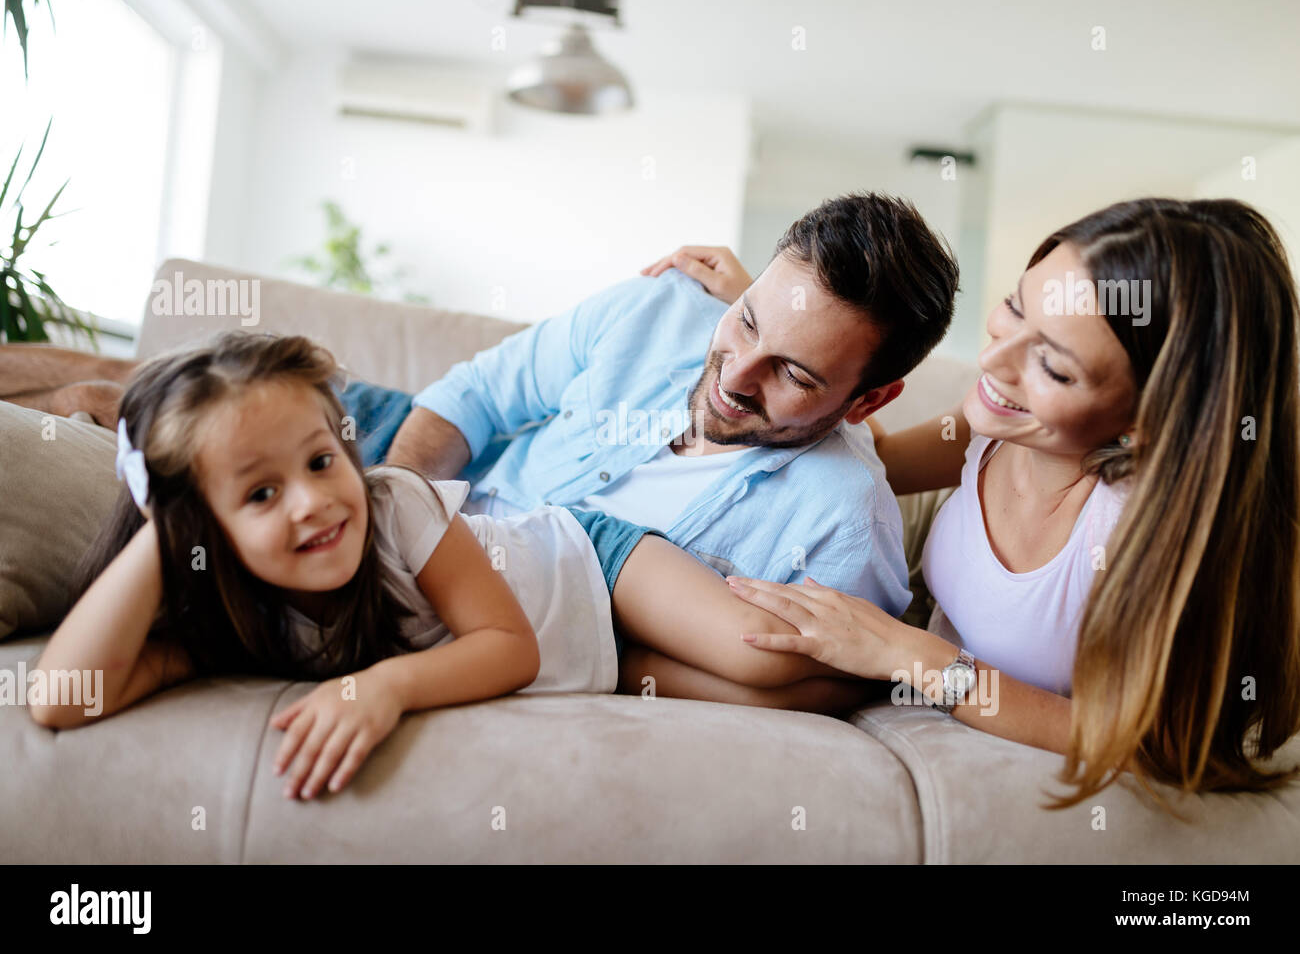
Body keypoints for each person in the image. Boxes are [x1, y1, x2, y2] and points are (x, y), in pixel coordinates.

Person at [6, 192, 962, 709]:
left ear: (870, 398)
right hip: (401, 469)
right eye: (746, 319)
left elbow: (836, 675)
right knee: (110, 393)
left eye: (792, 374)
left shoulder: (841, 516)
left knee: (759, 663)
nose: (735, 374)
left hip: (542, 556)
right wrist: (372, 510)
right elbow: (474, 395)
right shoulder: (665, 308)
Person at [27, 332, 889, 803]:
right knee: (802, 702)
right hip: (595, 664)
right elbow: (61, 698)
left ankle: (898, 653)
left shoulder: (395, 503)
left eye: (322, 461)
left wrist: (385, 688)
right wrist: (160, 530)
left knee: (757, 654)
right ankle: (869, 686)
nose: (314, 503)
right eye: (259, 494)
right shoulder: (230, 616)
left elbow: (506, 645)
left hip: (594, 562)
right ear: (195, 521)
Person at [708, 197, 1300, 811]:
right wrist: (771, 318)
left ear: (1147, 423)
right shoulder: (995, 430)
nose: (993, 361)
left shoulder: (1134, 529)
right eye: (1016, 307)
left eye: (1051, 365)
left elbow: (1153, 743)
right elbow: (877, 450)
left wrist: (911, 653)